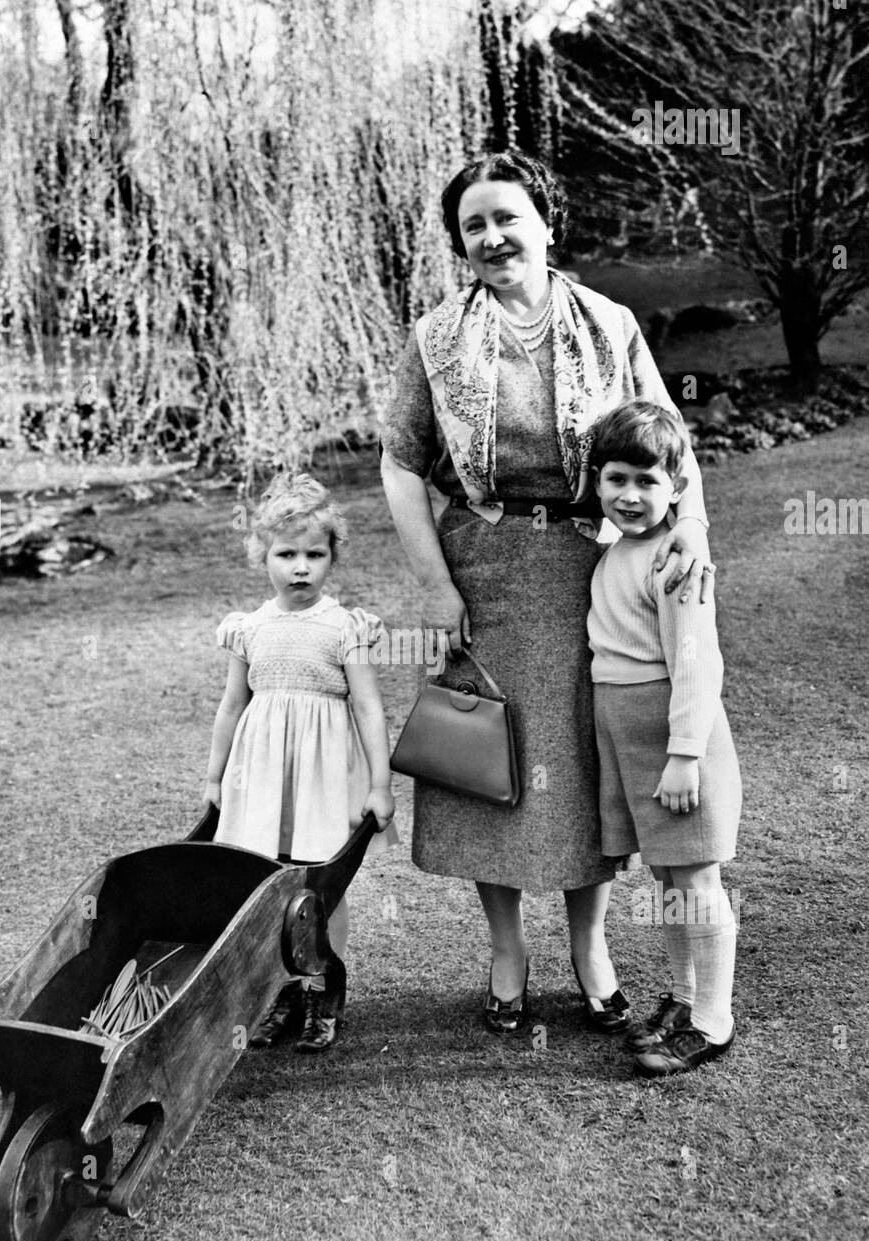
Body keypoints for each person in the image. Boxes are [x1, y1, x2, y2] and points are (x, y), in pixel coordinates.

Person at [380, 148, 714, 1036]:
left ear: (544, 222)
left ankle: (591, 947)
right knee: (485, 760)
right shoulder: (437, 337)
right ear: (461, 243)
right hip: (481, 574)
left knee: (575, 766)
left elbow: (668, 443)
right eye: (474, 226)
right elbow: (401, 462)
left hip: (587, 571)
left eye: (506, 217)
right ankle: (505, 951)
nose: (493, 237)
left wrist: (691, 537)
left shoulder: (608, 322)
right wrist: (434, 583)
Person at [203, 473, 397, 1052]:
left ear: (332, 557)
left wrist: (381, 784)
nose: (301, 567)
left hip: (324, 776)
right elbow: (233, 705)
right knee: (268, 883)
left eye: (315, 554)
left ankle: (321, 987)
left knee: (320, 883)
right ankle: (279, 989)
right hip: (263, 775)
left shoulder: (346, 627)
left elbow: (368, 708)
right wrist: (216, 777)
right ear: (262, 555)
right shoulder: (249, 629)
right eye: (286, 554)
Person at [587, 401, 741, 1074]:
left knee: (697, 880)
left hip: (677, 743)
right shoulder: (617, 551)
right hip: (628, 736)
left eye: (648, 482)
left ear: (677, 488)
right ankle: (683, 998)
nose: (630, 495)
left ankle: (713, 1021)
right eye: (617, 478)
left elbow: (697, 664)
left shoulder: (679, 563)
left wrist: (684, 756)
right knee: (670, 881)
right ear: (598, 482)